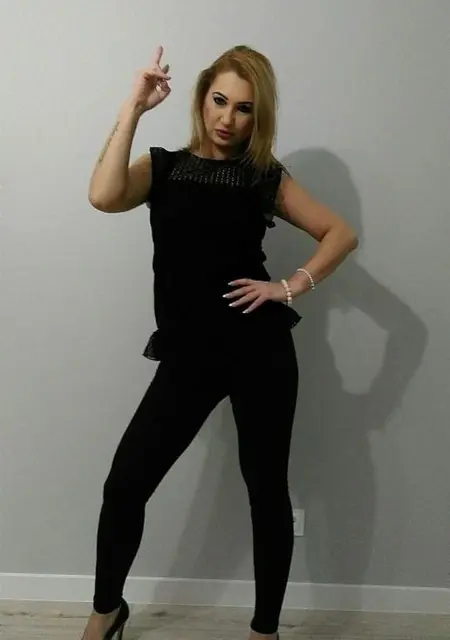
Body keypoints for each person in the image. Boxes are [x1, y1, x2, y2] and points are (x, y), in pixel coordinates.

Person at [83, 44, 358, 640]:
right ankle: (106, 611)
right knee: (125, 483)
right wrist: (133, 107)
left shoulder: (263, 177)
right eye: (219, 101)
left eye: (244, 109)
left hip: (259, 352)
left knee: (266, 491)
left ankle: (264, 631)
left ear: (259, 116)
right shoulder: (163, 168)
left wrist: (289, 286)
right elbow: (103, 196)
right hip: (188, 357)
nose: (228, 118)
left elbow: (340, 232)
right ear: (201, 97)